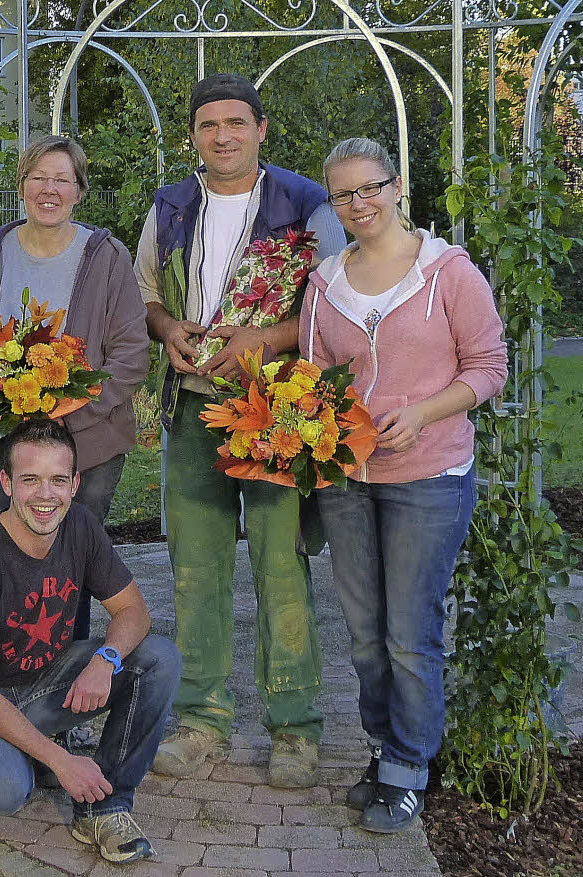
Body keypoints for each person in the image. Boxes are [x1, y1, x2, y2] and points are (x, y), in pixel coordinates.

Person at [135, 73, 347, 786]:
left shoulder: (306, 203)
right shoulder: (169, 204)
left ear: (261, 128)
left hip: (278, 411)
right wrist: (165, 327)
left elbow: (339, 297)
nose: (221, 135)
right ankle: (201, 719)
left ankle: (295, 726)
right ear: (193, 134)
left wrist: (272, 337)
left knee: (280, 565)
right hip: (194, 408)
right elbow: (143, 294)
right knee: (195, 570)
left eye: (235, 122)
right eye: (207, 125)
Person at [300, 137, 507, 832]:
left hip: (429, 473)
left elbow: (488, 367)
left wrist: (422, 411)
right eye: (343, 194)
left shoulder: (447, 272)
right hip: (348, 477)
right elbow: (315, 374)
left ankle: (411, 763)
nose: (358, 204)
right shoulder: (325, 280)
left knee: (409, 631)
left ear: (396, 188)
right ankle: (385, 746)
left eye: (370, 189)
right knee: (363, 632)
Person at [0, 420, 181, 863]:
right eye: (30, 480)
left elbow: (134, 612)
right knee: (5, 788)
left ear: (75, 484)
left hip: (39, 680)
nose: (45, 495)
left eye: (58, 480)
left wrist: (106, 660)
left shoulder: (80, 526)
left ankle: (103, 806)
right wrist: (61, 759)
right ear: (6, 483)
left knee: (157, 659)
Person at [0, 134, 149, 643]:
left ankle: (65, 686)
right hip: (3, 441)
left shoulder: (105, 255)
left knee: (71, 560)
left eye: (62, 179)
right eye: (38, 178)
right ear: (22, 185)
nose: (49, 189)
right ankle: (1, 687)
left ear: (79, 190)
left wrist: (69, 412)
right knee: (3, 560)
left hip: (89, 443)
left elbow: (130, 354)